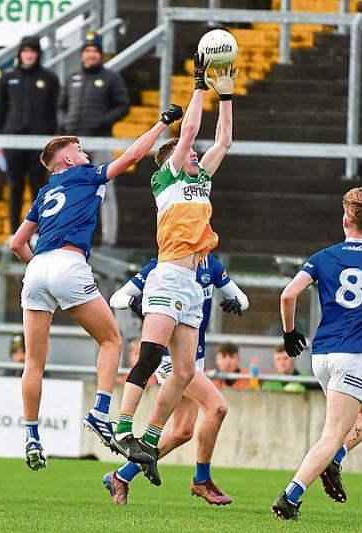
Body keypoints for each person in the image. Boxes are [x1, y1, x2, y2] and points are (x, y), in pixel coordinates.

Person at [9, 100, 185, 470]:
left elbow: (15, 243)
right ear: (68, 161)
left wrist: (40, 266)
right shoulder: (84, 176)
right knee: (112, 340)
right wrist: (162, 124)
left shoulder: (44, 193)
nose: (85, 153)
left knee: (34, 363)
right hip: (68, 263)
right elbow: (134, 155)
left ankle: (31, 435)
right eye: (79, 150)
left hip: (37, 268)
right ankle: (102, 410)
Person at [109, 54, 238, 483]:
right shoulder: (167, 180)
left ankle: (148, 437)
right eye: (190, 155)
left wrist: (227, 95)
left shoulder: (200, 181)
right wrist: (199, 85)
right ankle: (122, 425)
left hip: (190, 284)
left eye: (197, 156)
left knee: (183, 372)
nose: (197, 157)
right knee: (150, 355)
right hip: (165, 275)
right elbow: (191, 132)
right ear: (171, 162)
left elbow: (223, 142)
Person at [271, 187, 362, 521]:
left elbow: (288, 295)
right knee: (331, 432)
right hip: (353, 357)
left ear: (345, 220)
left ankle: (335, 459)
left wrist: (290, 332)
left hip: (321, 356)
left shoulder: (324, 256)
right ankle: (291, 497)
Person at [105, 252, 248, 503]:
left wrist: (237, 302)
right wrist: (136, 304)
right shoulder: (165, 263)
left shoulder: (209, 264)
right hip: (173, 360)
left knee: (182, 432)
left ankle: (120, 477)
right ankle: (201, 480)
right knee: (217, 408)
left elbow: (242, 298)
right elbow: (117, 298)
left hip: (195, 359)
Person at [59, 31, 130, 247]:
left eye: (95, 51)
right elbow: (60, 105)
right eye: (87, 50)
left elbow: (123, 106)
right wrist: (64, 124)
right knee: (69, 189)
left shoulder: (111, 78)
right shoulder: (73, 78)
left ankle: (109, 239)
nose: (91, 55)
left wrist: (102, 121)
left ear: (100, 54)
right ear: (82, 54)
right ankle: (65, 234)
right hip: (73, 145)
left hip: (100, 142)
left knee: (106, 191)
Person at [0, 35, 59, 235]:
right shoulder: (8, 77)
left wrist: (51, 139)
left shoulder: (49, 78)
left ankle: (38, 233)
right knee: (15, 188)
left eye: (32, 51)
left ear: (38, 54)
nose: (28, 55)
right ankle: (15, 233)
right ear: (20, 53)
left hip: (39, 144)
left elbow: (54, 111)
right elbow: (0, 111)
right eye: (25, 51)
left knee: (39, 189)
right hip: (13, 142)